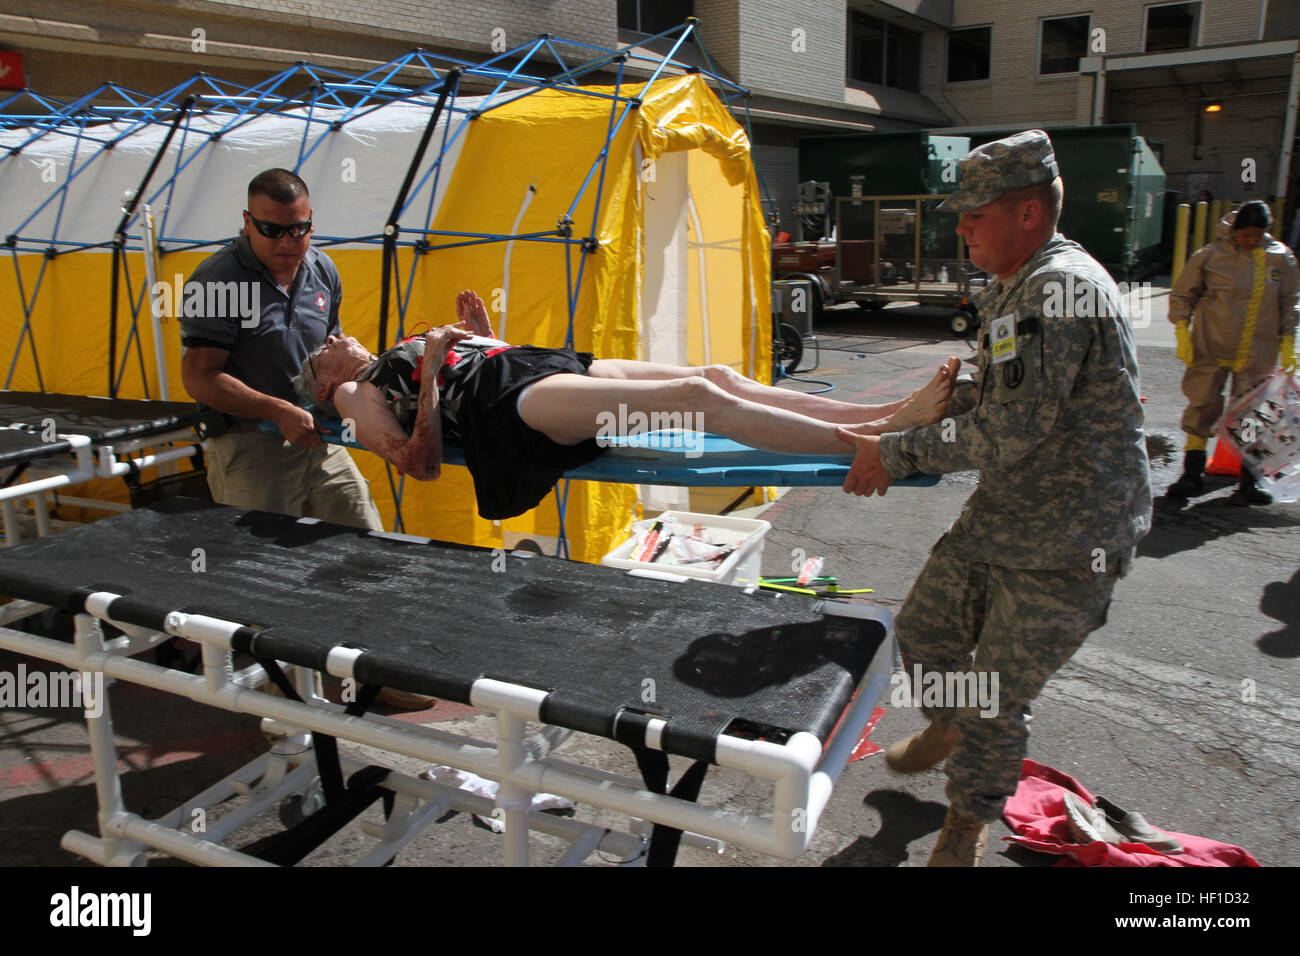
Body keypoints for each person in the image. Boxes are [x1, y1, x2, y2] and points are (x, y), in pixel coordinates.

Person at [836, 130, 1152, 866]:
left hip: (1074, 536)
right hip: (1012, 511)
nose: (962, 229)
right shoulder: (1022, 281)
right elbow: (1010, 394)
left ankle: (963, 827)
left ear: (1030, 214)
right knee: (926, 628)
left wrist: (893, 454)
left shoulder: (1058, 288)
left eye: (976, 215)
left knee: (994, 698)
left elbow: (1011, 431)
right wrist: (944, 400)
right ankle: (950, 725)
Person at [296, 290, 961, 520]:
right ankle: (871, 439)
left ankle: (877, 416)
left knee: (715, 374)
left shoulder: (385, 356)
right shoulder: (356, 393)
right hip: (515, 408)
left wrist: (475, 335)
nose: (331, 339)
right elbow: (417, 464)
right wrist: (440, 367)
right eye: (321, 351)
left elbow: (462, 366)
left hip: (530, 367)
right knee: (696, 399)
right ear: (326, 387)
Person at [180, 168, 384, 531]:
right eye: (272, 230)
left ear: (310, 222)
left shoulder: (322, 269)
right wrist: (277, 411)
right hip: (250, 444)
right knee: (259, 570)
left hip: (321, 438)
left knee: (365, 540)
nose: (287, 242)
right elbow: (199, 377)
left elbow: (330, 349)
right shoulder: (217, 281)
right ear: (247, 222)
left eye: (298, 229)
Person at [1166, 200, 1298, 504]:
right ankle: (1191, 474)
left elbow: (1290, 301)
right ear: (1235, 230)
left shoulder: (1281, 258)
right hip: (1211, 344)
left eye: (1257, 235)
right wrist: (1181, 330)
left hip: (1258, 349)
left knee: (1250, 412)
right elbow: (1185, 293)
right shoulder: (1210, 256)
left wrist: (1290, 341)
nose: (1250, 241)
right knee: (1201, 405)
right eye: (1245, 235)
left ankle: (1250, 479)